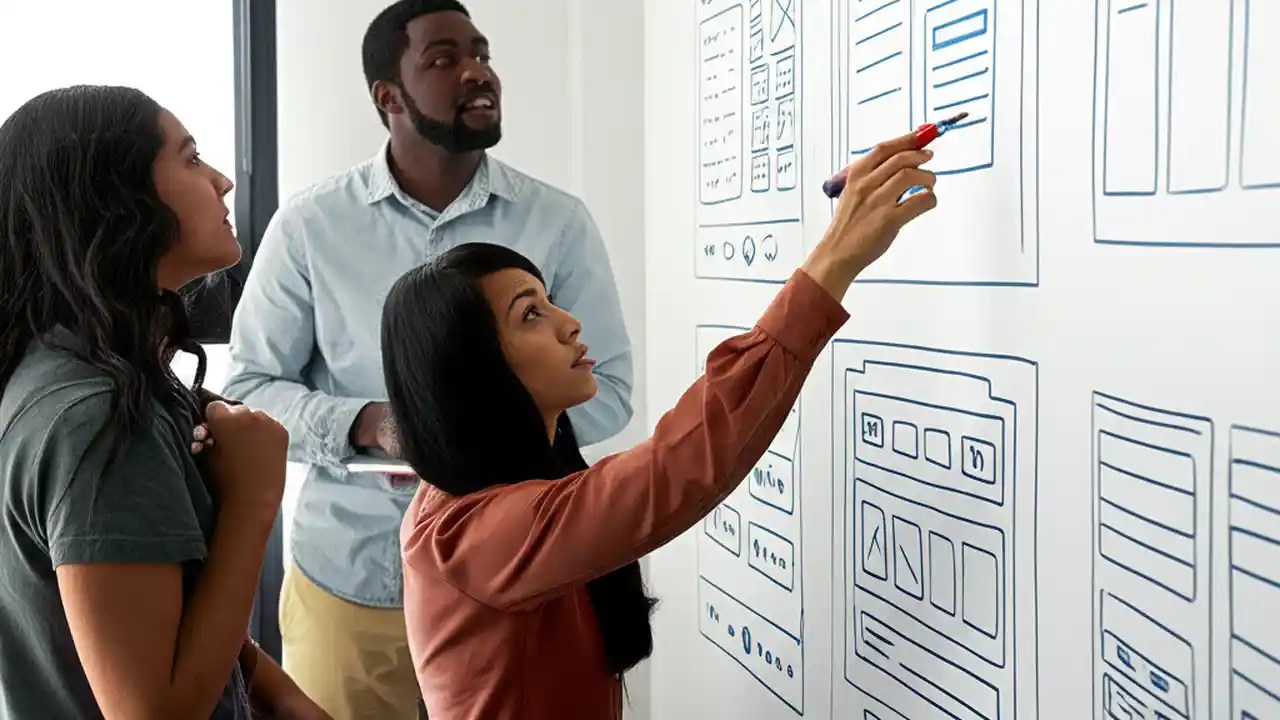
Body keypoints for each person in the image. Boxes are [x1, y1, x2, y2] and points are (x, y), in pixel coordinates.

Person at [382, 130, 939, 719]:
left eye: (548, 301)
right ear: (476, 371)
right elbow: (679, 465)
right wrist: (835, 257)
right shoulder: (468, 537)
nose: (569, 323)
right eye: (531, 314)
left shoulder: (510, 482)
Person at [221, 0, 634, 715]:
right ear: (388, 96)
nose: (477, 72)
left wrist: (469, 435)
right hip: (349, 586)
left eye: (481, 53)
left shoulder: (558, 222)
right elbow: (249, 391)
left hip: (517, 585)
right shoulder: (310, 225)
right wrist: (374, 425)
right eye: (444, 59)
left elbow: (612, 391)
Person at [0, 85, 329, 719]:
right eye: (191, 158)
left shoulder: (78, 374)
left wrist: (288, 700)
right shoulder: (98, 419)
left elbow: (169, 619)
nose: (222, 181)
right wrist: (254, 499)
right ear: (115, 200)